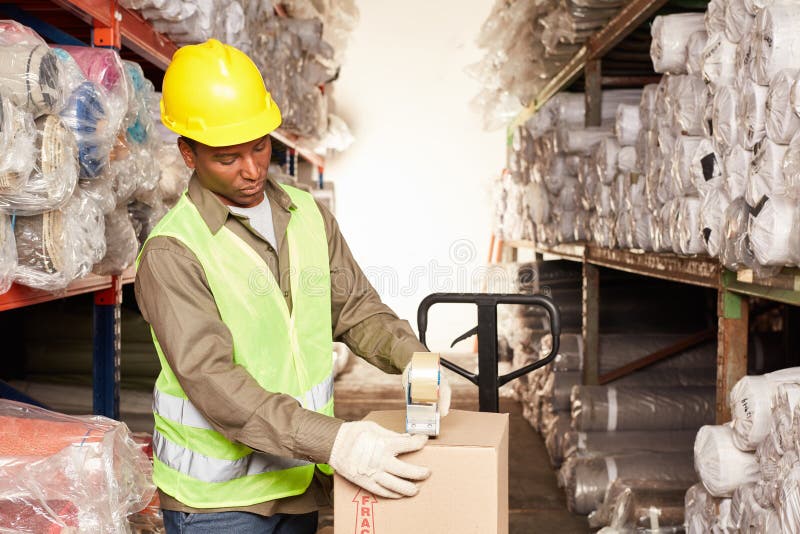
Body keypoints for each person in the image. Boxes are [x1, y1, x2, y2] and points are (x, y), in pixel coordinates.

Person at [134, 39, 451, 534]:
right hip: (220, 506)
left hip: (300, 484)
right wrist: (336, 442)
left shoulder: (307, 215)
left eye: (260, 145)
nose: (253, 169)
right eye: (228, 157)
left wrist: (413, 359)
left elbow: (355, 308)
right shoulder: (173, 252)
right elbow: (215, 383)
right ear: (188, 153)